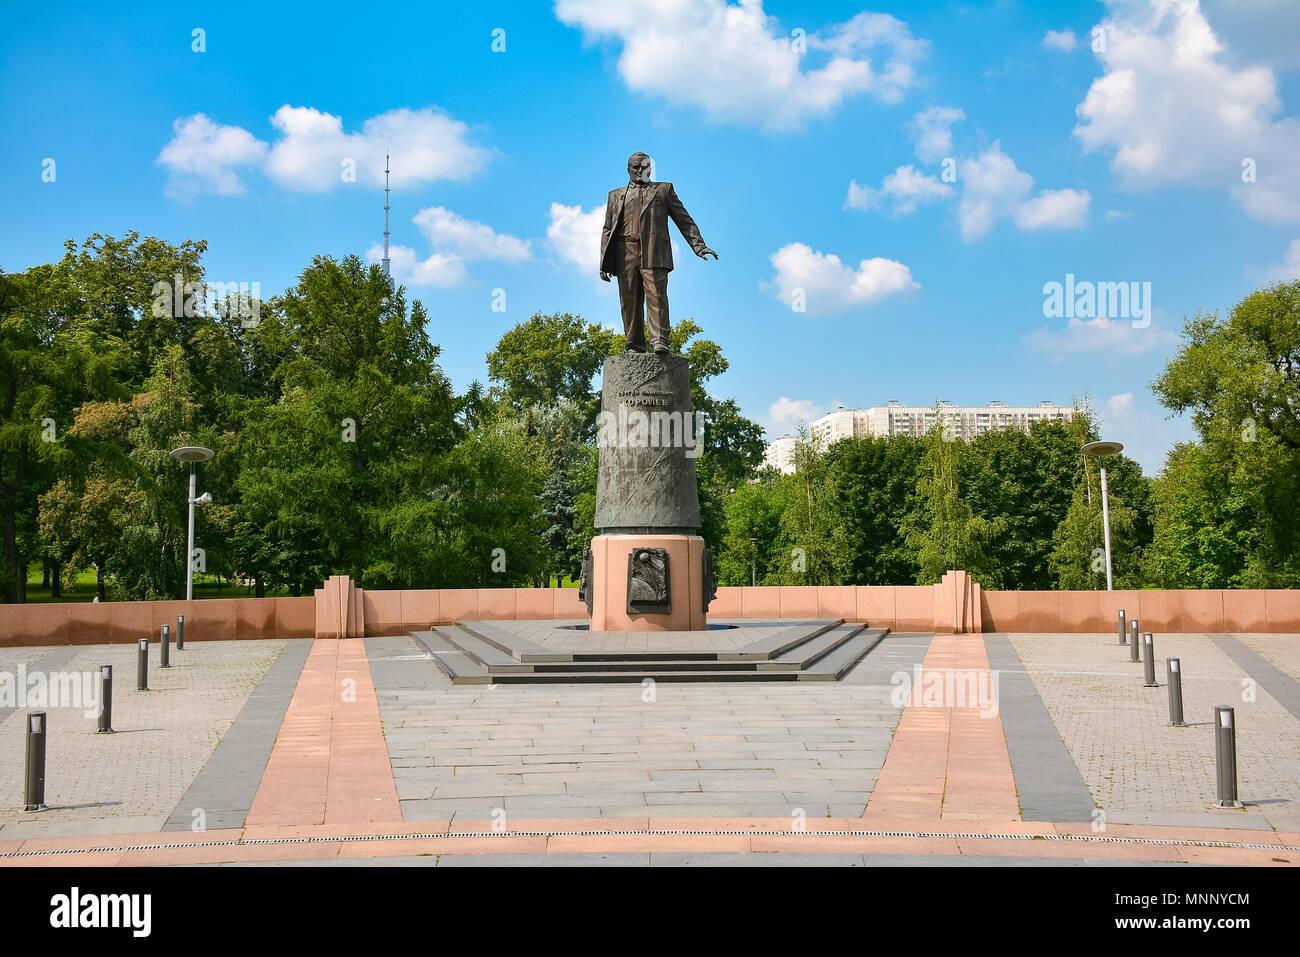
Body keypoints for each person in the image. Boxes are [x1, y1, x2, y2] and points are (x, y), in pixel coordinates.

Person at [599, 152, 717, 354]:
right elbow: (608, 229)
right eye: (635, 167)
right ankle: (634, 345)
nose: (639, 171)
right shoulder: (615, 195)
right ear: (628, 170)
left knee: (657, 298)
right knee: (629, 301)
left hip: (654, 250)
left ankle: (660, 341)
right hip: (624, 252)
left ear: (649, 168)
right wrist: (603, 262)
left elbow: (684, 219)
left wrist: (699, 245)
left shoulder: (663, 190)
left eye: (643, 167)